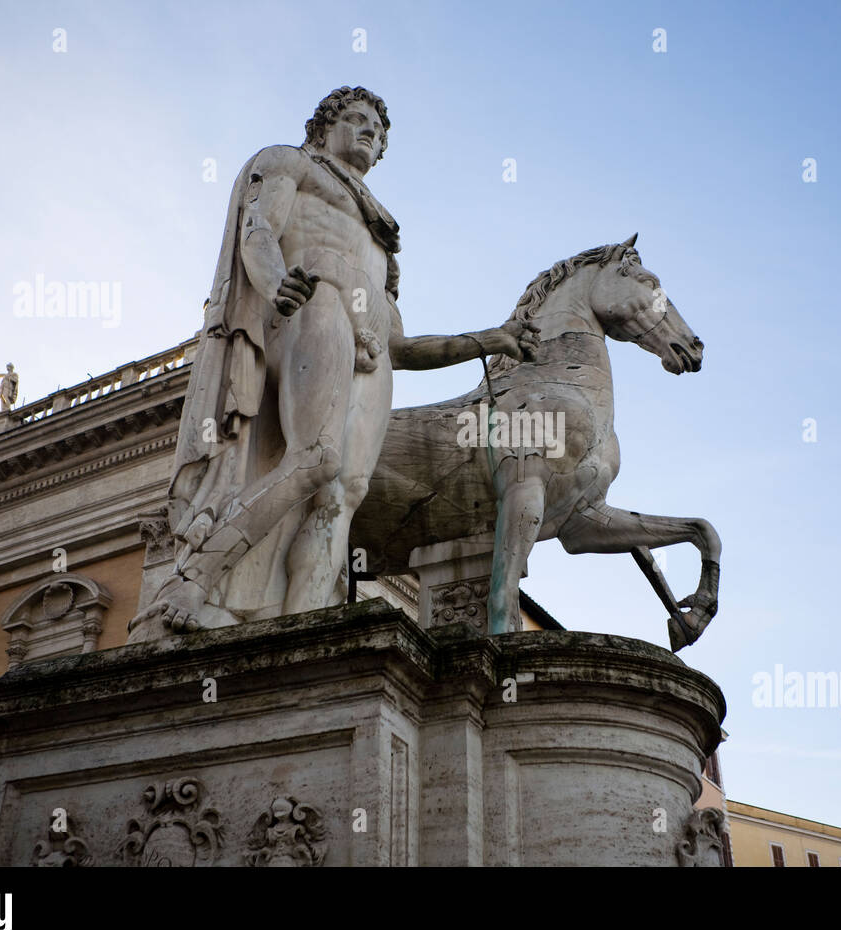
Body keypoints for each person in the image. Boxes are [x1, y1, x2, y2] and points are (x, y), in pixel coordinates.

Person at [129, 87, 537, 639]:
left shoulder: (382, 237)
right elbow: (259, 232)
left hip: (370, 352)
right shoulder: (291, 164)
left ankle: (304, 631)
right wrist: (277, 286)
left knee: (339, 495)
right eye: (357, 119)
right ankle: (192, 580)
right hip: (311, 300)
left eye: (380, 129)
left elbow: (404, 346)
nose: (371, 132)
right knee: (316, 458)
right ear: (326, 125)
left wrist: (488, 338)